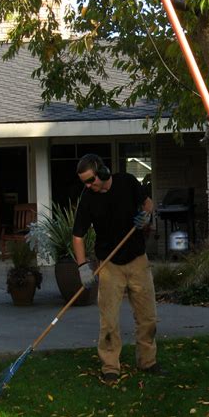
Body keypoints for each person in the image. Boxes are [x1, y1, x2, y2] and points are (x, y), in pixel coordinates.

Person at [72, 153, 164, 383]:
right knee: (109, 321)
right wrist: (83, 267)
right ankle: (110, 367)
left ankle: (148, 361)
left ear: (102, 172)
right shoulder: (88, 198)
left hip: (138, 259)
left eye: (90, 180)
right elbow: (78, 236)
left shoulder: (127, 182)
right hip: (109, 265)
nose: (88, 185)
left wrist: (145, 216)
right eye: (84, 182)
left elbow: (148, 203)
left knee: (147, 317)